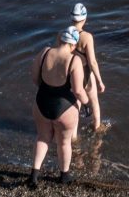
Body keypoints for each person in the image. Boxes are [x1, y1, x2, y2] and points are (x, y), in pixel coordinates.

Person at [30, 27, 88, 187]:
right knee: (64, 142)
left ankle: (34, 174)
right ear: (73, 45)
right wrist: (87, 103)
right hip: (64, 107)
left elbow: (35, 77)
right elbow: (78, 90)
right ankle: (64, 176)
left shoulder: (45, 52)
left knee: (42, 137)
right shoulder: (74, 60)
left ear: (60, 40)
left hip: (41, 102)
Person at [70, 2, 109, 133]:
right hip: (84, 74)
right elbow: (92, 62)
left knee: (76, 105)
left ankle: (73, 136)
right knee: (94, 102)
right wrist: (100, 81)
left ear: (71, 18)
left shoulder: (62, 34)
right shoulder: (86, 37)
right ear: (85, 18)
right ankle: (97, 129)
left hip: (69, 75)